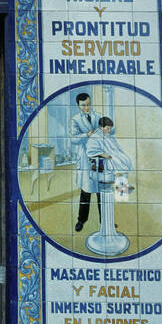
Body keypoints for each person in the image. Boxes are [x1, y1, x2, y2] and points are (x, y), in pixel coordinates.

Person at [69, 92, 101, 231]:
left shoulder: (98, 116)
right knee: (86, 191)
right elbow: (73, 139)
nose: (87, 107)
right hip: (85, 159)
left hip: (99, 156)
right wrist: (86, 135)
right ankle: (81, 220)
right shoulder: (75, 120)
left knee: (102, 190)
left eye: (88, 104)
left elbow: (108, 130)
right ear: (78, 105)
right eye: (83, 105)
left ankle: (105, 221)